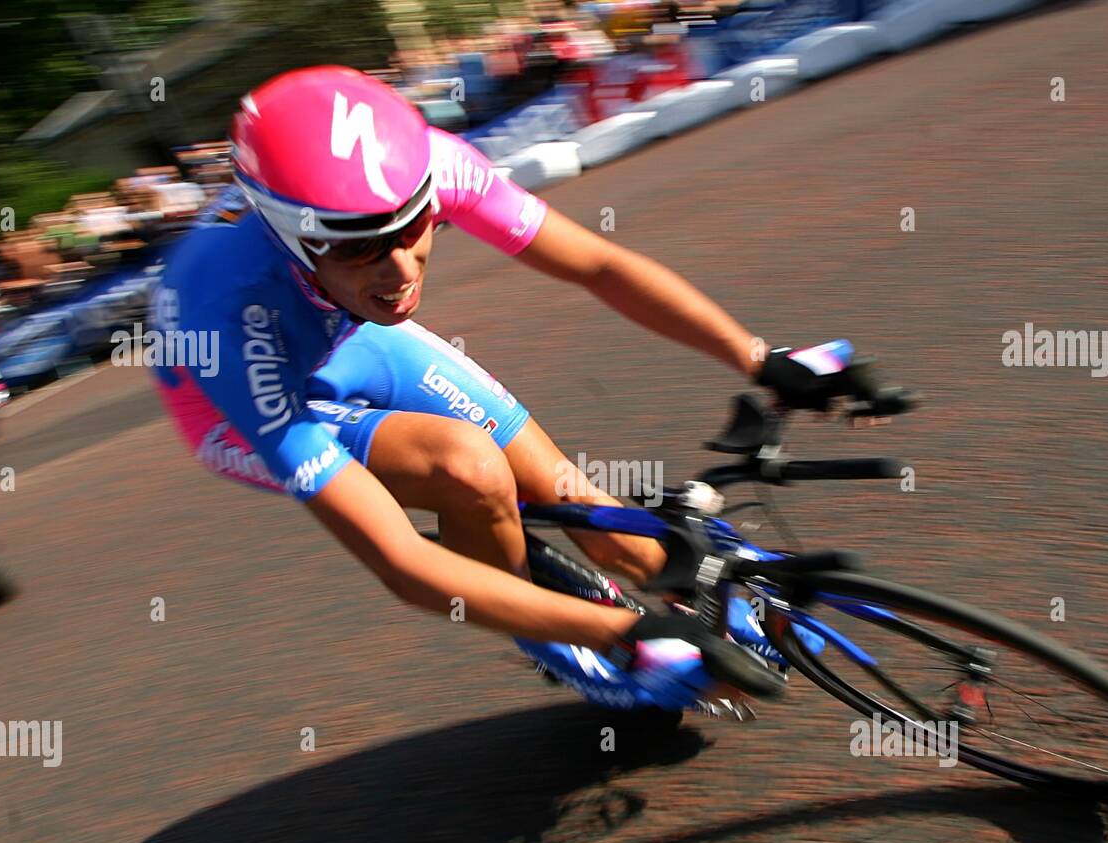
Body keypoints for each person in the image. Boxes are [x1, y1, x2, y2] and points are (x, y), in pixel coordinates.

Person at [150, 66, 848, 715]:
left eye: (415, 227)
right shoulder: (225, 312)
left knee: (574, 498)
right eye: (360, 245)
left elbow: (597, 265)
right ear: (289, 236)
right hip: (238, 400)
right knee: (467, 469)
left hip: (344, 328)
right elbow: (400, 562)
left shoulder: (428, 165)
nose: (400, 269)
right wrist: (620, 631)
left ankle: (684, 596)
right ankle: (572, 652)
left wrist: (761, 359)